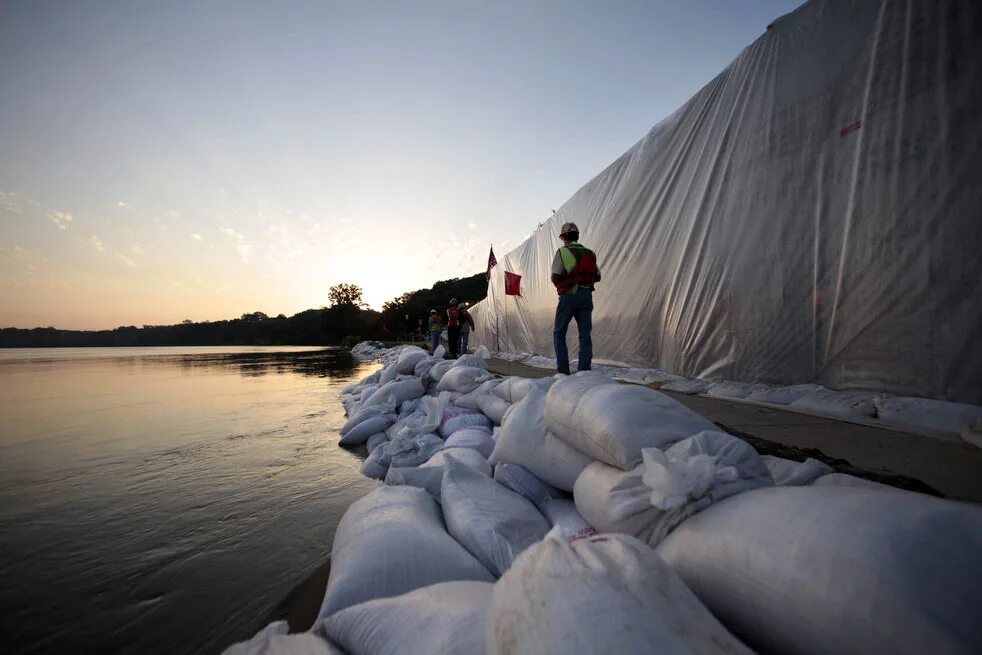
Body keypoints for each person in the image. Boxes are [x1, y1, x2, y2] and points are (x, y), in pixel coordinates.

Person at [550, 221, 601, 374]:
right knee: (585, 335)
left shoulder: (563, 252)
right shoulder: (590, 254)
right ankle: (584, 373)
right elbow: (598, 276)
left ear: (564, 237)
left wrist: (567, 282)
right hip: (586, 296)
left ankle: (563, 373)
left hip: (569, 295)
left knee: (559, 334)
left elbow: (555, 276)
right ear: (577, 236)